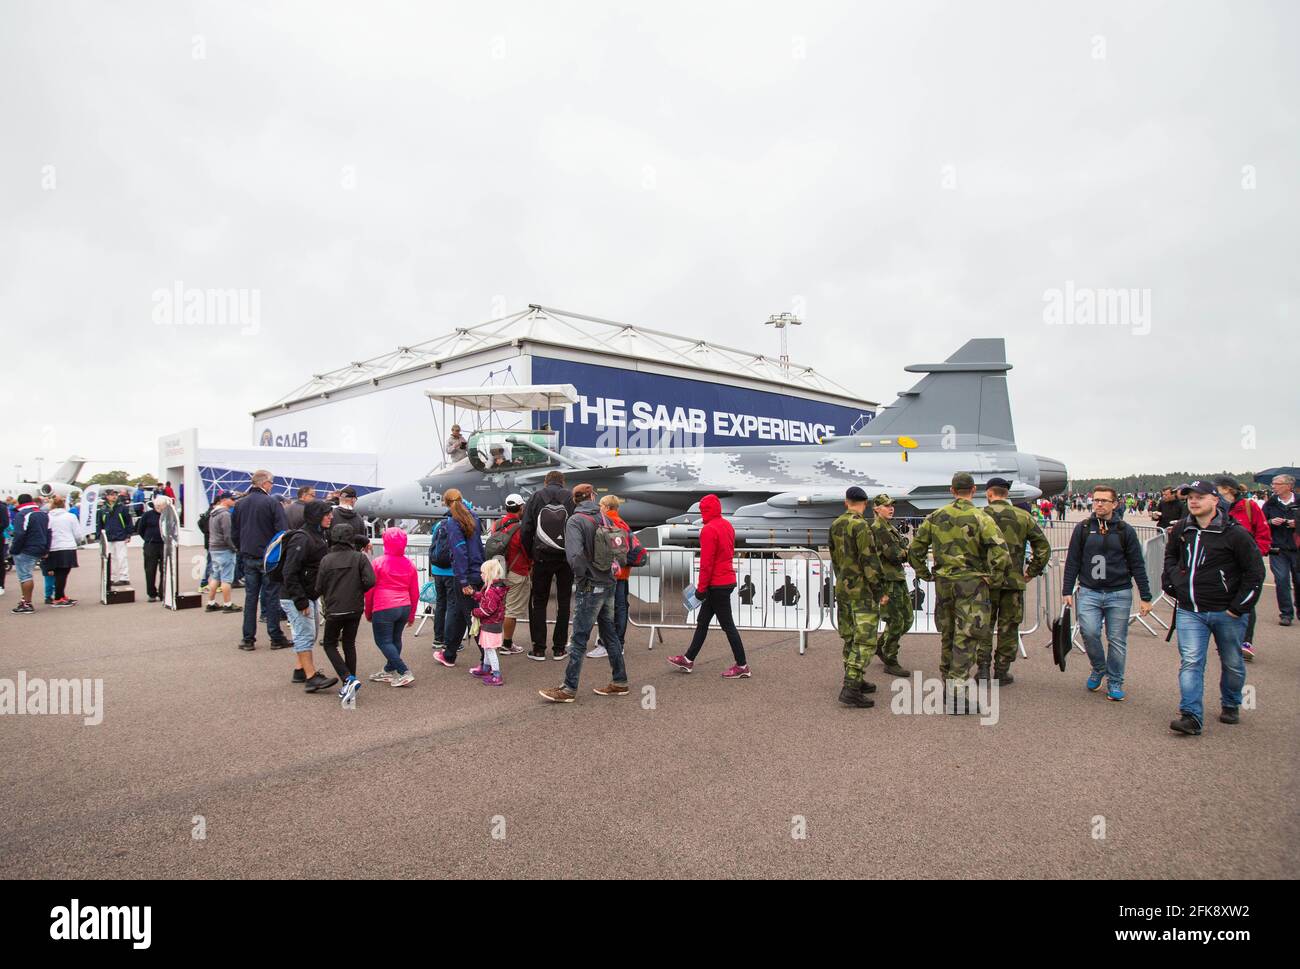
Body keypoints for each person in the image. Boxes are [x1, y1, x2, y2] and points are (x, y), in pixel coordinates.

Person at [1163, 481, 1265, 735]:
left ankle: (1231, 702)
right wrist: (1173, 582)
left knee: (1231, 661)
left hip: (1226, 612)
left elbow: (1254, 572)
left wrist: (1238, 607)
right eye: (1189, 498)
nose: (1193, 501)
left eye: (1199, 497)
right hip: (1190, 610)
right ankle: (1191, 715)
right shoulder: (1181, 530)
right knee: (1191, 662)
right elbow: (1170, 557)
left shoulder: (1236, 534)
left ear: (1215, 500)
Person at [908, 472, 1011, 714]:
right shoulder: (980, 517)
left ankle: (949, 685)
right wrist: (993, 578)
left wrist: (926, 573)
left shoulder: (935, 516)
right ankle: (957, 693)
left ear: (952, 490)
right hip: (971, 583)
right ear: (973, 490)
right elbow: (1001, 551)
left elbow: (915, 550)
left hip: (945, 582)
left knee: (948, 633)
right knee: (967, 636)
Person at [1061, 485, 1153, 702]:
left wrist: (1146, 596)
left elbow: (1137, 564)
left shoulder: (1125, 530)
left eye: (1104, 500)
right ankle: (1098, 667)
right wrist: (1067, 589)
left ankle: (1115, 680)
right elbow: (1073, 560)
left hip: (1119, 593)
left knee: (1116, 639)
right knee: (1089, 632)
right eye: (1096, 500)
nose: (1099, 504)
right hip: (1089, 592)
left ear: (1115, 503)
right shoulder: (1083, 528)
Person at [539, 483, 629, 702]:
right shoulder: (604, 517)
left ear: (574, 499)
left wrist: (583, 576)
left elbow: (575, 556)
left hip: (590, 586)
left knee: (579, 638)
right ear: (592, 496)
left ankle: (568, 689)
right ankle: (620, 681)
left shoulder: (576, 521)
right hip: (609, 581)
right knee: (610, 635)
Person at [977, 477, 1051, 684]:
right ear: (1007, 494)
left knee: (984, 625)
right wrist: (1031, 572)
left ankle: (982, 669)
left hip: (985, 582)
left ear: (989, 494)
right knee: (1008, 627)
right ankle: (1001, 671)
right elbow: (1043, 548)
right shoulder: (1023, 517)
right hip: (1013, 582)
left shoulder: (980, 516)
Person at [667, 493, 750, 678]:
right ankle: (688, 659)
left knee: (727, 625)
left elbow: (707, 563)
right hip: (725, 579)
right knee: (703, 622)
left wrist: (701, 589)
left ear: (705, 510)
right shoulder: (727, 525)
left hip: (716, 584)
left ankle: (742, 665)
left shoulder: (708, 529)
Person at [830, 486, 885, 708]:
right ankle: (851, 686)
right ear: (865, 503)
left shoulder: (836, 524)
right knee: (865, 640)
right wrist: (879, 591)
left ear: (846, 502)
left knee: (850, 636)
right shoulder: (861, 525)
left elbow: (834, 558)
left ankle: (856, 679)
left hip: (844, 589)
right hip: (862, 591)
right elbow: (869, 560)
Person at [278, 499, 336, 693]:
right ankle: (311, 678)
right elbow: (289, 571)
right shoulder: (302, 538)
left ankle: (300, 670)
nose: (330, 516)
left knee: (311, 633)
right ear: (315, 516)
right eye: (326, 513)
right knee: (305, 634)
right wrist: (300, 599)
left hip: (307, 594)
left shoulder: (318, 535)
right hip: (297, 596)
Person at [317, 521, 377, 704]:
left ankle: (347, 678)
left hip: (334, 607)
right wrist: (358, 590)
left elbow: (319, 586)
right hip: (354, 606)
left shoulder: (326, 559)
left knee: (329, 644)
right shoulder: (359, 558)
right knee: (349, 644)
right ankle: (350, 679)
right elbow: (370, 580)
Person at [231, 470, 291, 651]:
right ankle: (275, 636)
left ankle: (248, 638)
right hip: (268, 558)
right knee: (271, 597)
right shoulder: (272, 503)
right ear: (265, 483)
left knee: (251, 598)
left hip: (248, 556)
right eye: (271, 482)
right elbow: (282, 532)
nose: (272, 486)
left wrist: (241, 549)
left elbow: (235, 531)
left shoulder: (240, 504)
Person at [520, 469, 575, 661]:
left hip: (542, 556)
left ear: (545, 482)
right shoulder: (570, 498)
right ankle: (559, 648)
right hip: (566, 558)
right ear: (563, 482)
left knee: (539, 602)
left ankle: (539, 648)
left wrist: (531, 554)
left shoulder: (536, 497)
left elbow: (525, 529)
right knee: (564, 602)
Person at [1215, 476, 1271, 660]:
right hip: (1223, 563)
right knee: (1224, 599)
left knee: (1246, 600)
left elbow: (1263, 533)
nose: (1216, 493)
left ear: (1229, 490)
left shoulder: (1248, 506)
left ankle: (1246, 641)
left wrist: (1256, 555)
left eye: (1218, 489)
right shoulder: (1217, 507)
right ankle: (1227, 640)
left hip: (1246, 562)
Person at [432, 488, 484, 669]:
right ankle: (449, 654)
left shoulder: (453, 522)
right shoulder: (474, 517)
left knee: (472, 619)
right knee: (463, 616)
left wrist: (462, 580)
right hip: (477, 571)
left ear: (446, 503)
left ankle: (487, 660)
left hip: (464, 575)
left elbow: (460, 552)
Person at [365, 526, 420, 687]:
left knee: (383, 641)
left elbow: (370, 591)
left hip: (384, 606)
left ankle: (403, 671)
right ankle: (389, 669)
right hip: (404, 606)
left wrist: (368, 611)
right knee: (395, 639)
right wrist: (411, 615)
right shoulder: (410, 564)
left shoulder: (378, 563)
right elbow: (414, 592)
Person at [868, 494, 912, 677]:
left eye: (892, 505)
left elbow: (900, 550)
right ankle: (891, 660)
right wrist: (909, 552)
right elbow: (895, 555)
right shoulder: (879, 528)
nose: (891, 508)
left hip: (897, 578)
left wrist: (905, 551)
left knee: (907, 619)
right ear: (876, 509)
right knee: (896, 621)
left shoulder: (888, 527)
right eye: (886, 505)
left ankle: (881, 647)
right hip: (888, 581)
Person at [591, 494, 631, 659]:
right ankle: (618, 644)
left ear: (607, 507)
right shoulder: (624, 524)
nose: (599, 508)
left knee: (606, 610)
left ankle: (605, 644)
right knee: (621, 608)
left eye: (601, 505)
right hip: (624, 572)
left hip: (609, 573)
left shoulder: (606, 523)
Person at [494, 493, 531, 655]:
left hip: (498, 570)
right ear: (521, 507)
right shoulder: (520, 529)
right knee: (511, 610)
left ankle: (492, 639)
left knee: (499, 607)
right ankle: (506, 644)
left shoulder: (497, 524)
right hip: (517, 571)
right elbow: (526, 551)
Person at [1261, 473, 1299, 626]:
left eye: (1277, 484)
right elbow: (1262, 522)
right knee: (1282, 580)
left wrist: (1297, 523)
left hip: (1297, 547)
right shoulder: (1270, 504)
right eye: (1273, 484)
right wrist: (1270, 521)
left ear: (1289, 486)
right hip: (1278, 548)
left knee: (1298, 580)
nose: (1273, 486)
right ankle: (1286, 613)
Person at [8, 494, 50, 614]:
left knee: (25, 576)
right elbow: (49, 532)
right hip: (39, 546)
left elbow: (19, 534)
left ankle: (27, 603)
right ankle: (25, 601)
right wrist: (46, 549)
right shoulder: (42, 513)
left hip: (25, 548)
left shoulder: (22, 514)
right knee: (27, 575)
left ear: (20, 503)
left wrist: (14, 550)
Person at [470, 558, 509, 685]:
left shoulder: (491, 591)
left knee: (490, 649)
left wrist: (474, 612)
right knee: (487, 648)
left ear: (489, 574)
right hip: (495, 623)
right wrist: (474, 594)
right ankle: (486, 668)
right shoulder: (496, 589)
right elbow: (487, 600)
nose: (481, 575)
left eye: (483, 573)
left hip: (490, 624)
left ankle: (496, 675)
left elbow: (487, 610)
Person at [44, 495, 83, 607]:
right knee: (63, 573)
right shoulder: (70, 516)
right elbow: (77, 534)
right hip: (67, 546)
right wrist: (77, 542)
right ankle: (58, 598)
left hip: (52, 547)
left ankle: (61, 595)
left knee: (57, 573)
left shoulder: (47, 517)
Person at [204, 491, 239, 612]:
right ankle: (228, 604)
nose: (235, 501)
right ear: (225, 500)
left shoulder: (213, 513)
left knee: (215, 576)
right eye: (232, 499)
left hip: (214, 548)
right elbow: (228, 535)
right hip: (224, 549)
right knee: (226, 579)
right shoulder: (225, 515)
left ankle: (211, 602)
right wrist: (234, 548)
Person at [428, 510, 457, 647]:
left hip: (437, 570)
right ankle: (449, 640)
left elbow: (433, 545)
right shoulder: (458, 525)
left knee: (440, 604)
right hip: (451, 572)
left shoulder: (439, 525)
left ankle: (438, 638)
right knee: (452, 605)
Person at [96, 489, 134, 587]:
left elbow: (128, 522)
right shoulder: (103, 509)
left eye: (115, 495)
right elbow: (100, 524)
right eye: (112, 495)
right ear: (107, 496)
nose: (114, 496)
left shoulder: (122, 508)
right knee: (110, 558)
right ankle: (111, 578)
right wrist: (99, 536)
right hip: (108, 537)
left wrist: (128, 534)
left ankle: (124, 577)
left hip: (121, 536)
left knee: (122, 557)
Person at [135, 496, 167, 602]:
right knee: (150, 569)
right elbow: (140, 529)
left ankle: (163, 593)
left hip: (164, 545)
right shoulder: (147, 515)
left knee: (164, 569)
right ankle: (151, 593)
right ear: (158, 505)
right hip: (151, 545)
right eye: (164, 505)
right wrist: (148, 539)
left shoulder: (167, 515)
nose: (166, 506)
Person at [330, 486, 371, 551]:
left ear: (340, 498)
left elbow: (327, 536)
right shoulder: (359, 518)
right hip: (354, 557)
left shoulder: (330, 515)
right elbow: (362, 540)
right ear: (353, 500)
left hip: (332, 556)